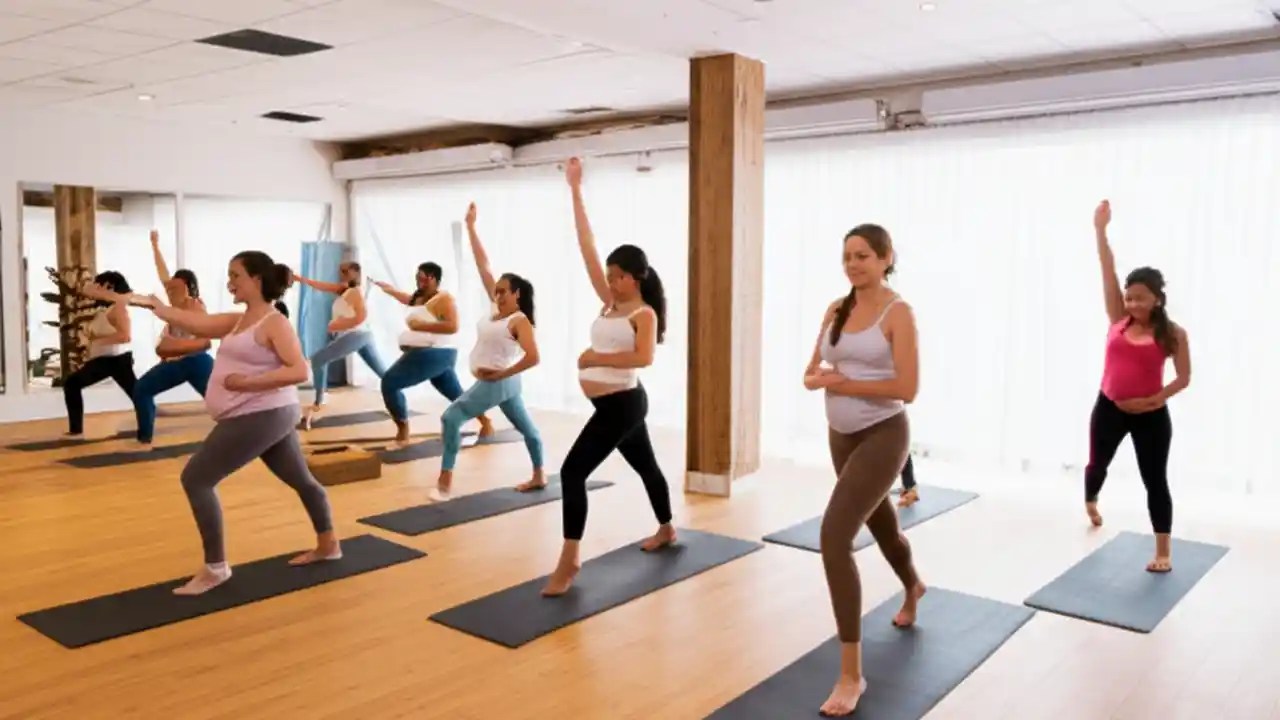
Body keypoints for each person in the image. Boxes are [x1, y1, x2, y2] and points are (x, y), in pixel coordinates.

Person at [129, 250, 340, 596]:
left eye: (235, 275)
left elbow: (300, 370)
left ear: (256, 280)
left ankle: (216, 568)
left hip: (262, 412)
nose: (230, 282)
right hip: (263, 412)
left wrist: (247, 383)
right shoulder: (240, 319)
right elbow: (197, 324)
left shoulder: (274, 322)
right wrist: (154, 305)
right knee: (301, 480)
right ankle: (329, 544)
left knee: (196, 478)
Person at [802, 224, 926, 717]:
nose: (854, 264)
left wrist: (847, 384)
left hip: (884, 434)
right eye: (848, 256)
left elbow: (907, 387)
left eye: (864, 256)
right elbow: (810, 372)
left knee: (834, 538)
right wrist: (823, 380)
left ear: (886, 257)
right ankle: (913, 584)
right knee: (883, 526)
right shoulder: (837, 309)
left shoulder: (899, 313)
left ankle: (851, 674)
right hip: (841, 436)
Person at [542, 157, 675, 598]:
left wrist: (592, 356)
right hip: (612, 404)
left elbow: (643, 358)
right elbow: (587, 245)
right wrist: (575, 189)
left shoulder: (644, 312)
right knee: (647, 466)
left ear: (637, 279)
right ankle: (668, 528)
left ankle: (569, 559)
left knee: (572, 472)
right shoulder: (609, 302)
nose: (612, 282)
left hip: (624, 404)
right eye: (611, 276)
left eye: (619, 278)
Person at [1085, 199, 1191, 573]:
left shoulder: (1173, 333)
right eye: (1128, 297)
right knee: (1098, 463)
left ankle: (1163, 551)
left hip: (1151, 416)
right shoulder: (1118, 318)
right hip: (1109, 407)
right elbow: (1107, 268)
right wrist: (1100, 231)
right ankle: (1091, 498)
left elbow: (1184, 377)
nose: (1131, 303)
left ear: (1157, 300)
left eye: (1139, 298)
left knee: (1155, 481)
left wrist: (1155, 400)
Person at [434, 202, 544, 498]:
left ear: (517, 294)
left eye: (503, 291)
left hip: (497, 381)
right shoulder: (496, 308)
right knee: (528, 428)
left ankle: (445, 479)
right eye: (496, 290)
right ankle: (539, 475)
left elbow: (534, 357)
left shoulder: (520, 321)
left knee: (451, 417)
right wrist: (471, 228)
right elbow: (484, 266)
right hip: (503, 382)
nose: (497, 293)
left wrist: (501, 374)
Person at [374, 262, 493, 448]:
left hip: (435, 353)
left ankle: (403, 430)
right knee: (455, 393)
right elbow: (407, 300)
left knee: (389, 383)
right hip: (438, 357)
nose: (421, 281)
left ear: (436, 279)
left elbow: (453, 326)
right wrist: (389, 290)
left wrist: (419, 327)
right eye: (419, 277)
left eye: (426, 278)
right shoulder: (419, 298)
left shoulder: (444, 299)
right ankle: (486, 422)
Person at [130, 230, 213, 448]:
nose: (170, 288)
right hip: (176, 362)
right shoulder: (173, 303)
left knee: (219, 403)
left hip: (198, 361)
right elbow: (163, 273)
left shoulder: (196, 306)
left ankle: (243, 434)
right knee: (142, 389)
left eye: (177, 285)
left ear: (187, 287)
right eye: (171, 286)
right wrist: (155, 246)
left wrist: (177, 347)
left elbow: (206, 339)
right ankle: (144, 436)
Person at [293, 261, 388, 429]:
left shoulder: (355, 292)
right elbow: (321, 286)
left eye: (345, 271)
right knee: (384, 373)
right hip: (362, 335)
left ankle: (319, 401)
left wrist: (338, 325)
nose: (341, 274)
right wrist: (300, 279)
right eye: (340, 271)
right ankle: (398, 391)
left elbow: (362, 316)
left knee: (318, 359)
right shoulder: (344, 290)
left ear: (356, 273)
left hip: (357, 334)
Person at [64, 271, 137, 436]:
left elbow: (125, 336)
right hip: (104, 360)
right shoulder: (104, 309)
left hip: (115, 361)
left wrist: (96, 342)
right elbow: (87, 290)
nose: (95, 288)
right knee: (72, 384)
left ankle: (147, 427)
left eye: (100, 284)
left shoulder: (118, 309)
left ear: (109, 287)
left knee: (138, 394)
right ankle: (75, 429)